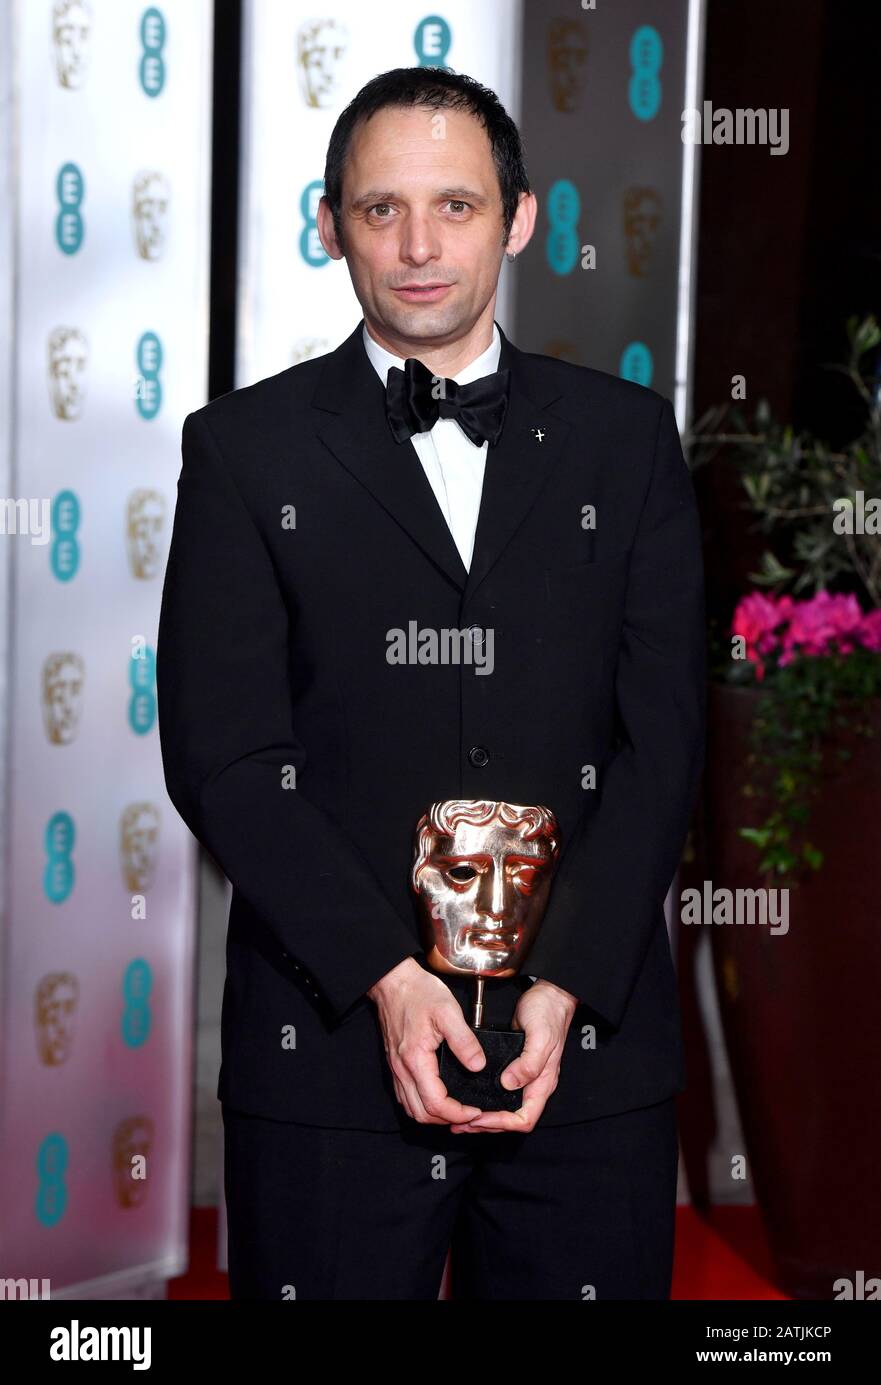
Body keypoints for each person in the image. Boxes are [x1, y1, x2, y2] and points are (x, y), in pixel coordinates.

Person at [156, 65, 705, 1301]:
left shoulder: (625, 442)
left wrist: (564, 983)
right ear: (328, 224)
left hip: (590, 1059)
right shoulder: (243, 451)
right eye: (378, 209)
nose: (416, 246)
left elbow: (659, 743)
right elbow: (223, 756)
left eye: (454, 207)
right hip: (331, 1057)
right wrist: (387, 983)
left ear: (516, 218)